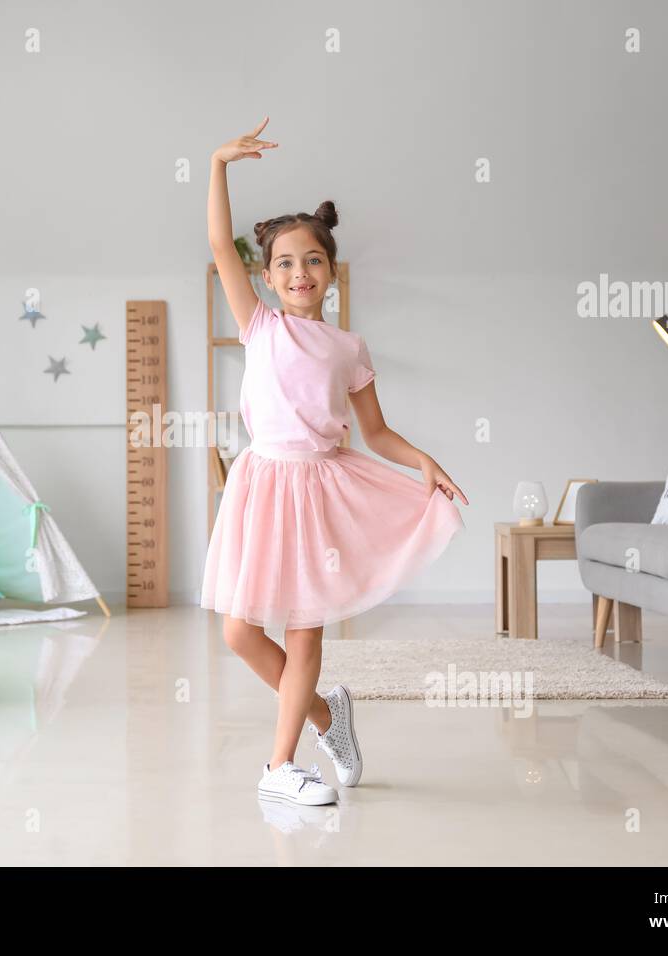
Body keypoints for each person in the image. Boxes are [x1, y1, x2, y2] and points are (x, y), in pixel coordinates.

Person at [200, 118, 468, 806]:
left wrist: (423, 462)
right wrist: (219, 164)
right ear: (268, 276)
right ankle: (327, 716)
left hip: (319, 489)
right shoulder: (259, 325)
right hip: (262, 484)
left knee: (304, 625)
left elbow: (375, 431)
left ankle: (279, 767)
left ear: (331, 272)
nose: (298, 272)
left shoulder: (349, 347)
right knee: (238, 631)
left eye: (312, 261)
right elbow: (216, 246)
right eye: (285, 263)